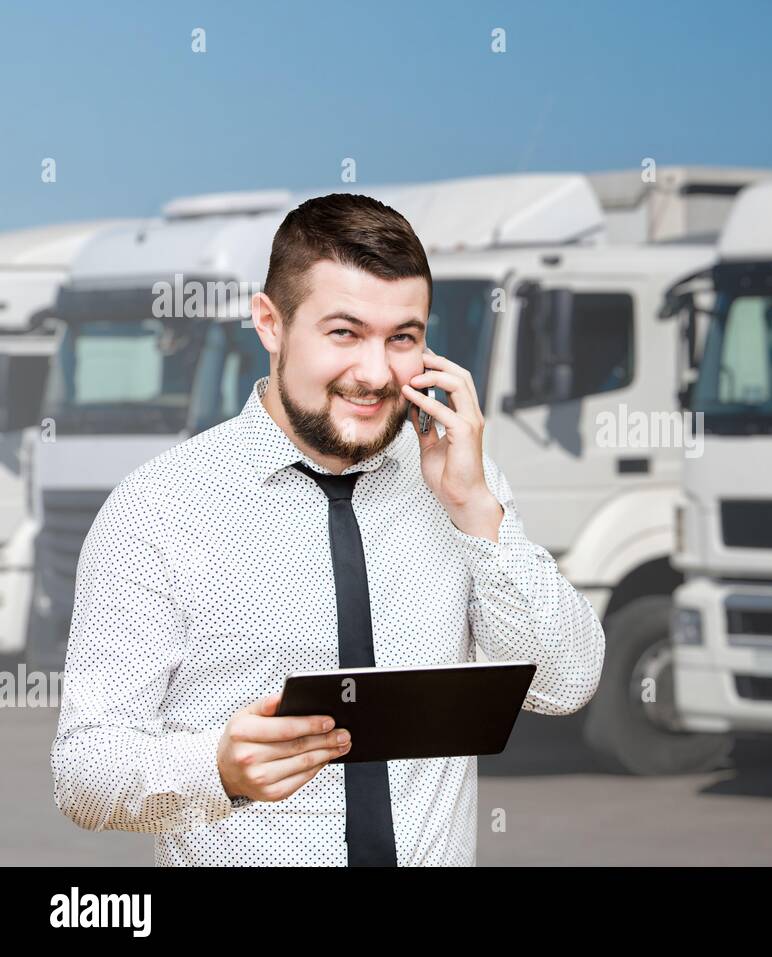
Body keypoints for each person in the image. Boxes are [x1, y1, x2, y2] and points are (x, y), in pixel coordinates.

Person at [49, 193, 605, 866]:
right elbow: (85, 766)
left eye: (402, 336)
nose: (374, 374)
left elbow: (566, 682)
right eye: (344, 332)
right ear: (269, 323)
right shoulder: (159, 508)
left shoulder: (461, 481)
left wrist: (478, 512)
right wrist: (215, 768)